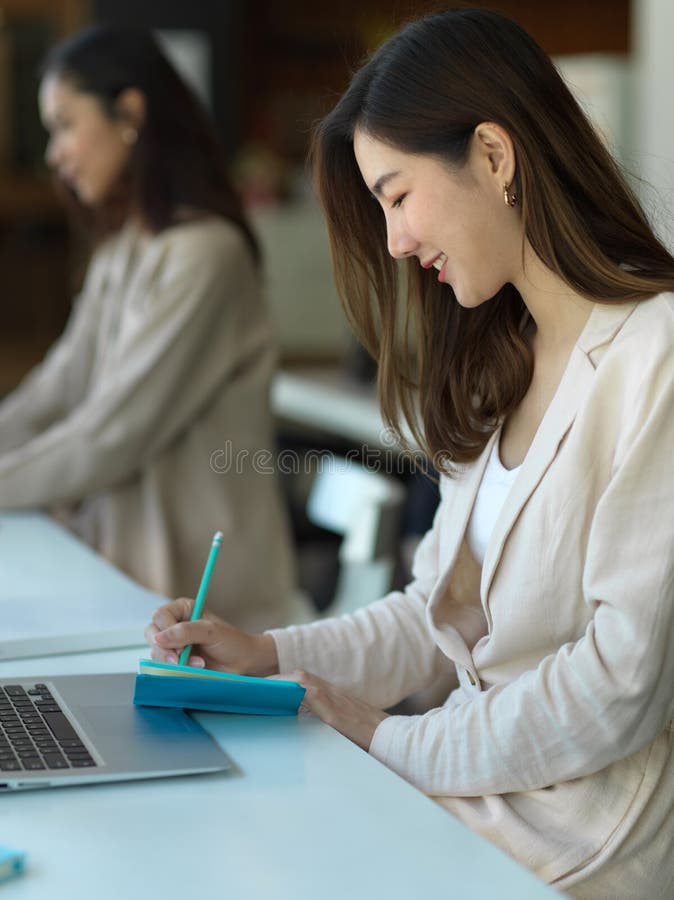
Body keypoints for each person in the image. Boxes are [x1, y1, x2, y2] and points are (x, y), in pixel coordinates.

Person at [145, 9, 674, 897]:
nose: (394, 242)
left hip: (580, 837)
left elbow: (620, 683)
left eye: (397, 195)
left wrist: (393, 742)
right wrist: (268, 655)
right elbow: (431, 618)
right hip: (474, 794)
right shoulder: (499, 358)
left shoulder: (654, 353)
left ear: (496, 159)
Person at [0, 25, 297, 630]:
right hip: (129, 585)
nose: (55, 153)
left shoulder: (205, 254)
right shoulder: (124, 249)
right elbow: (54, 389)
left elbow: (112, 435)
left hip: (206, 611)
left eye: (64, 125)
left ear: (130, 112)